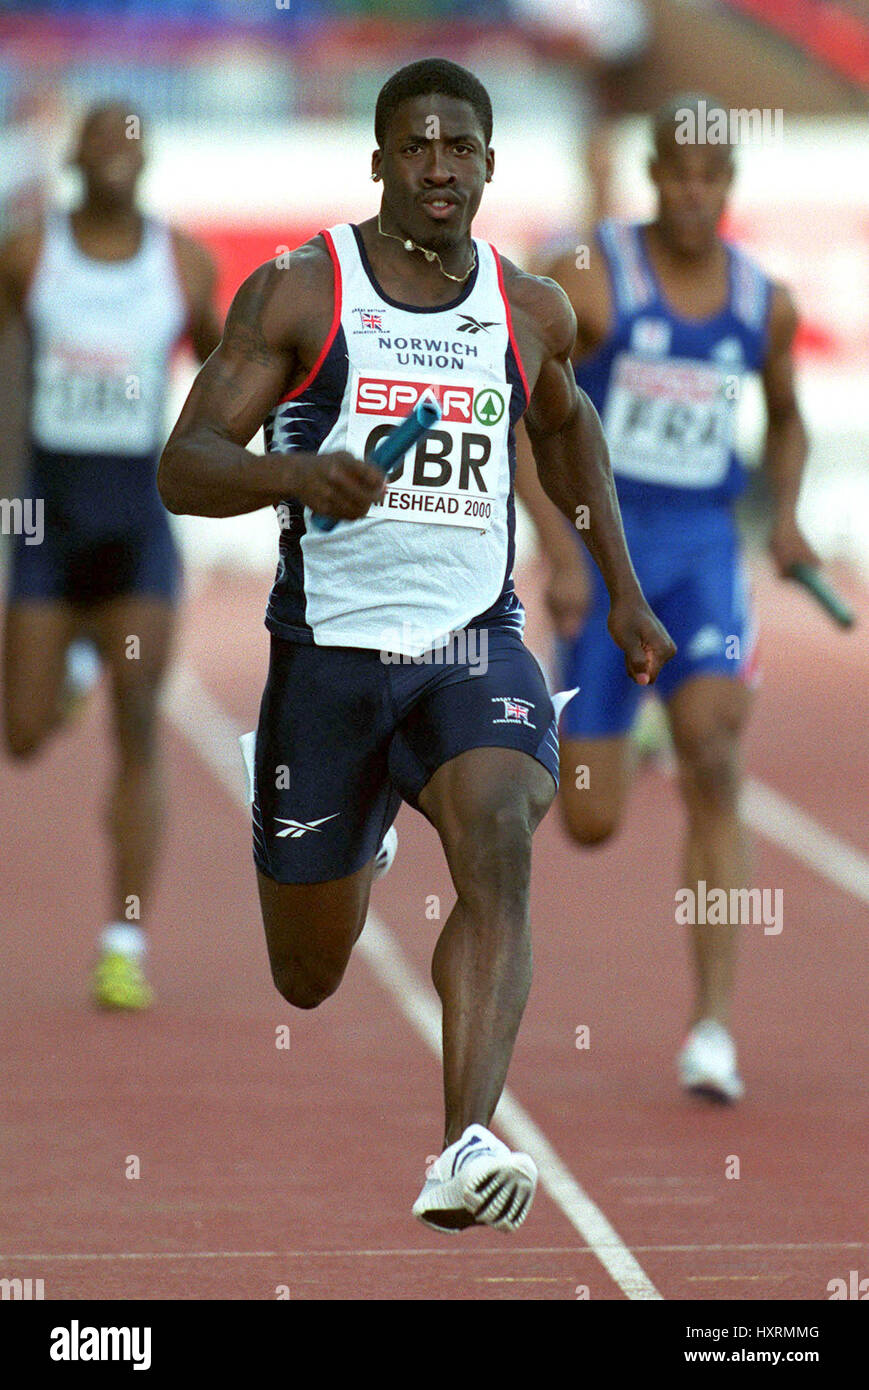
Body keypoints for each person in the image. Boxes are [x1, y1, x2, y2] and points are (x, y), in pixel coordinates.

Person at [158, 58, 673, 1233]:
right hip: (329, 662)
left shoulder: (527, 307)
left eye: (461, 145)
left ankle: (462, 1142)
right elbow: (183, 466)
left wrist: (622, 591)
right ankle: (352, 829)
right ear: (380, 161)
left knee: (499, 833)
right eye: (417, 144)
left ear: (489, 165)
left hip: (469, 648)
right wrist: (298, 472)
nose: (439, 164)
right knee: (310, 974)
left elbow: (567, 434)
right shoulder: (300, 291)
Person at [515, 93, 818, 1103]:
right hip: (608, 556)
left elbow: (785, 420)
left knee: (716, 761)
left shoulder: (757, 300)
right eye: (676, 172)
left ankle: (711, 1030)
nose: (692, 192)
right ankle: (608, 730)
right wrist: (556, 547)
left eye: (710, 176)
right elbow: (517, 408)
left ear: (728, 186)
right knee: (589, 819)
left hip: (699, 559)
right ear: (651, 174)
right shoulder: (593, 276)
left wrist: (781, 515)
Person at [0, 101, 222, 1009]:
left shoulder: (182, 262)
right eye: (102, 139)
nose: (117, 154)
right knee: (22, 735)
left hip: (136, 520)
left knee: (140, 721)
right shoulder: (26, 254)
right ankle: (75, 661)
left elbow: (226, 370)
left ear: (150, 159)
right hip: (45, 521)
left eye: (133, 140)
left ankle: (123, 938)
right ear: (76, 158)